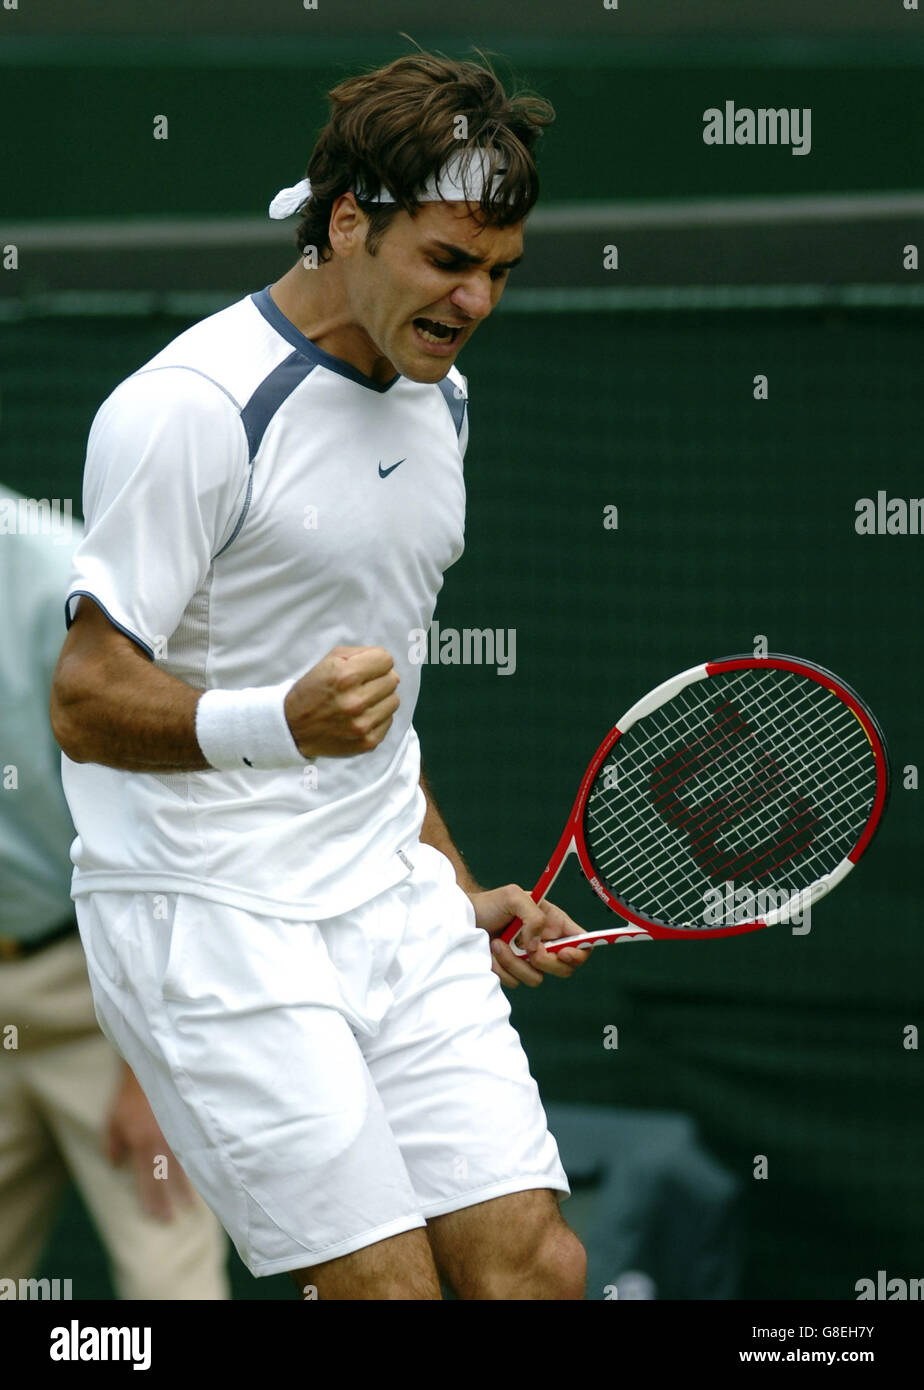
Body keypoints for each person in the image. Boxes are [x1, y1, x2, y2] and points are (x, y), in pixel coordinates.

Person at [50, 51, 590, 1300]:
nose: (477, 303)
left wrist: (456, 887)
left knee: (532, 1271)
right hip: (209, 917)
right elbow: (83, 699)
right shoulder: (191, 404)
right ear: (349, 220)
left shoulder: (442, 404)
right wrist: (277, 724)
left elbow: (382, 729)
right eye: (449, 262)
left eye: (501, 271)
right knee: (385, 1293)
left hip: (387, 902)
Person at [0, 482, 229, 1299]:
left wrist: (149, 1065)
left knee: (172, 1287)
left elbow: (167, 817)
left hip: (105, 994)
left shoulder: (61, 577)